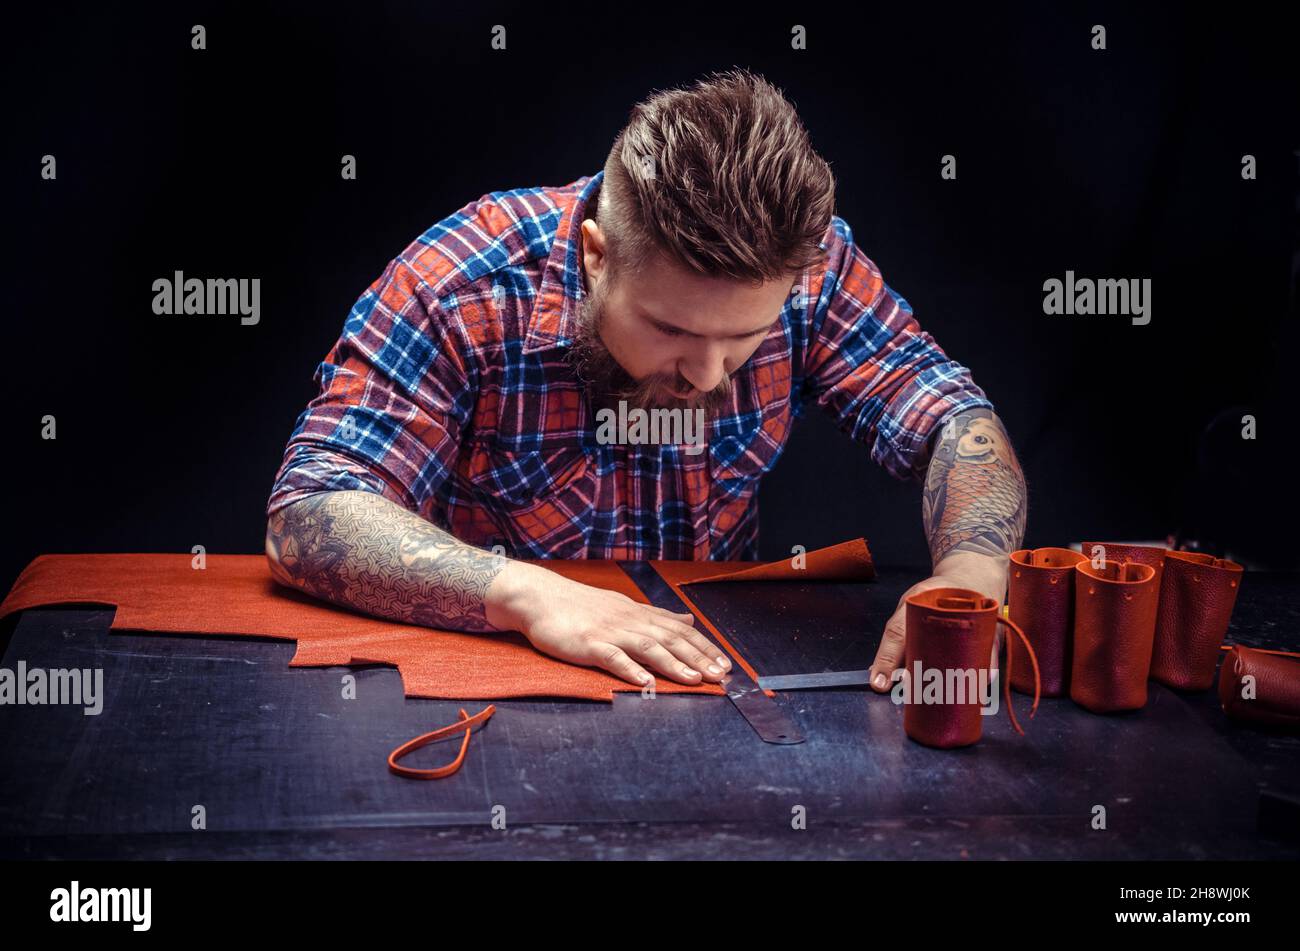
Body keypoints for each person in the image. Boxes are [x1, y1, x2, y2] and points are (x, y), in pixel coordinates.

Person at [264, 69, 1026, 693]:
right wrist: (527, 593)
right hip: (501, 678)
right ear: (597, 255)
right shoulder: (461, 286)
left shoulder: (812, 270)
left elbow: (950, 416)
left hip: (715, 679)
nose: (705, 374)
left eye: (744, 337)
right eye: (673, 330)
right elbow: (309, 512)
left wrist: (973, 567)